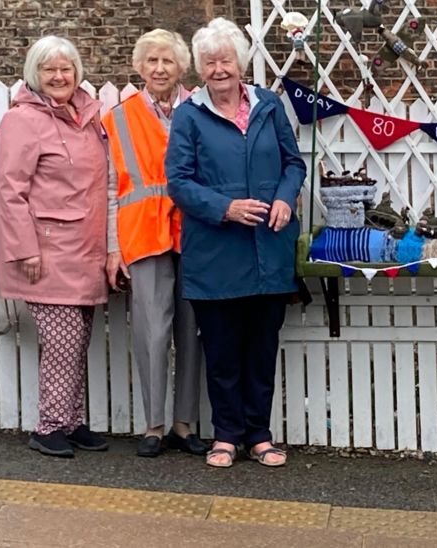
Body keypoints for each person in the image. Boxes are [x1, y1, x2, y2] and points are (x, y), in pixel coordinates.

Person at [165, 17, 306, 468]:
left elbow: (293, 164)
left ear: (240, 62)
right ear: (200, 69)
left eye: (225, 59)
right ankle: (226, 435)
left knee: (261, 349)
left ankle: (259, 436)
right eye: (209, 62)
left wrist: (285, 198)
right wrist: (226, 208)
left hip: (269, 248)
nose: (219, 69)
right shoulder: (189, 115)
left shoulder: (268, 105)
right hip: (217, 253)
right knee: (223, 352)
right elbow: (179, 182)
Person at [0, 36, 110, 457]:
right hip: (45, 252)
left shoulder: (88, 115)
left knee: (77, 341)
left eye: (66, 68)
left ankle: (70, 420)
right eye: (49, 70)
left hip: (84, 250)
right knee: (62, 343)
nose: (59, 76)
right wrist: (23, 249)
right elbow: (10, 190)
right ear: (34, 75)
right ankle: (48, 426)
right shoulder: (23, 120)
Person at [103, 29, 207, 458]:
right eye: (152, 61)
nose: (160, 69)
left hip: (197, 233)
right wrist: (113, 247)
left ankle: (183, 424)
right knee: (151, 331)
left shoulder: (201, 109)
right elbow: (110, 188)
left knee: (192, 329)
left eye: (167, 61)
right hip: (143, 235)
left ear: (182, 67)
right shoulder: (118, 116)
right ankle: (153, 424)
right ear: (139, 67)